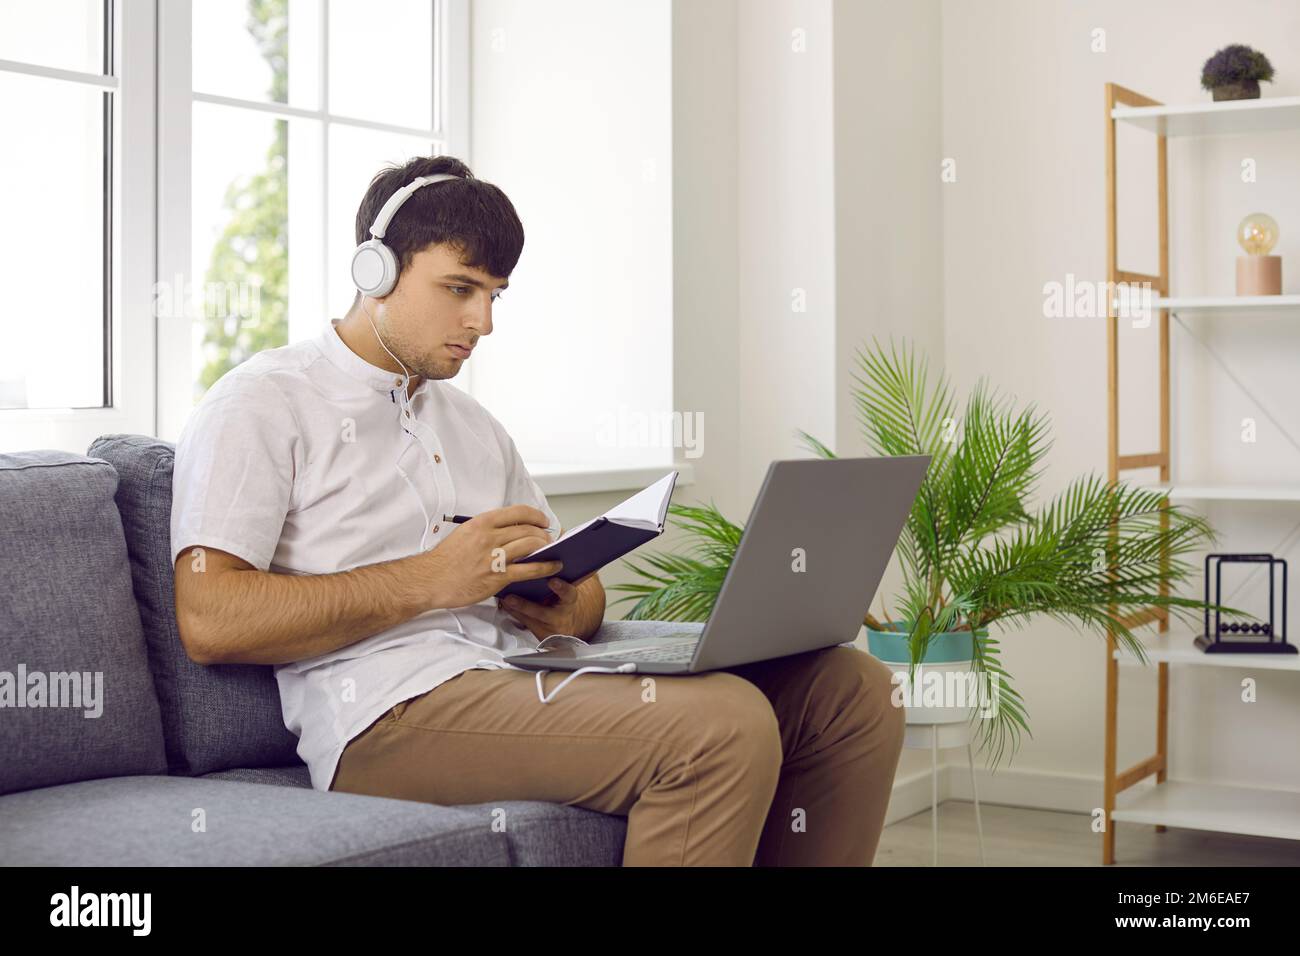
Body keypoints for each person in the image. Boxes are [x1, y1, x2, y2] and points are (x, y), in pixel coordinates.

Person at [170, 154, 906, 866]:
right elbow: (209, 618)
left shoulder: (473, 426)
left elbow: (579, 591)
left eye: (495, 293)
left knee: (853, 690)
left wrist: (569, 605)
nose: (482, 321)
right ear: (377, 272)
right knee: (720, 726)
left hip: (520, 673)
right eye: (459, 288)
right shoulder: (262, 403)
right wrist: (431, 579)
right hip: (384, 715)